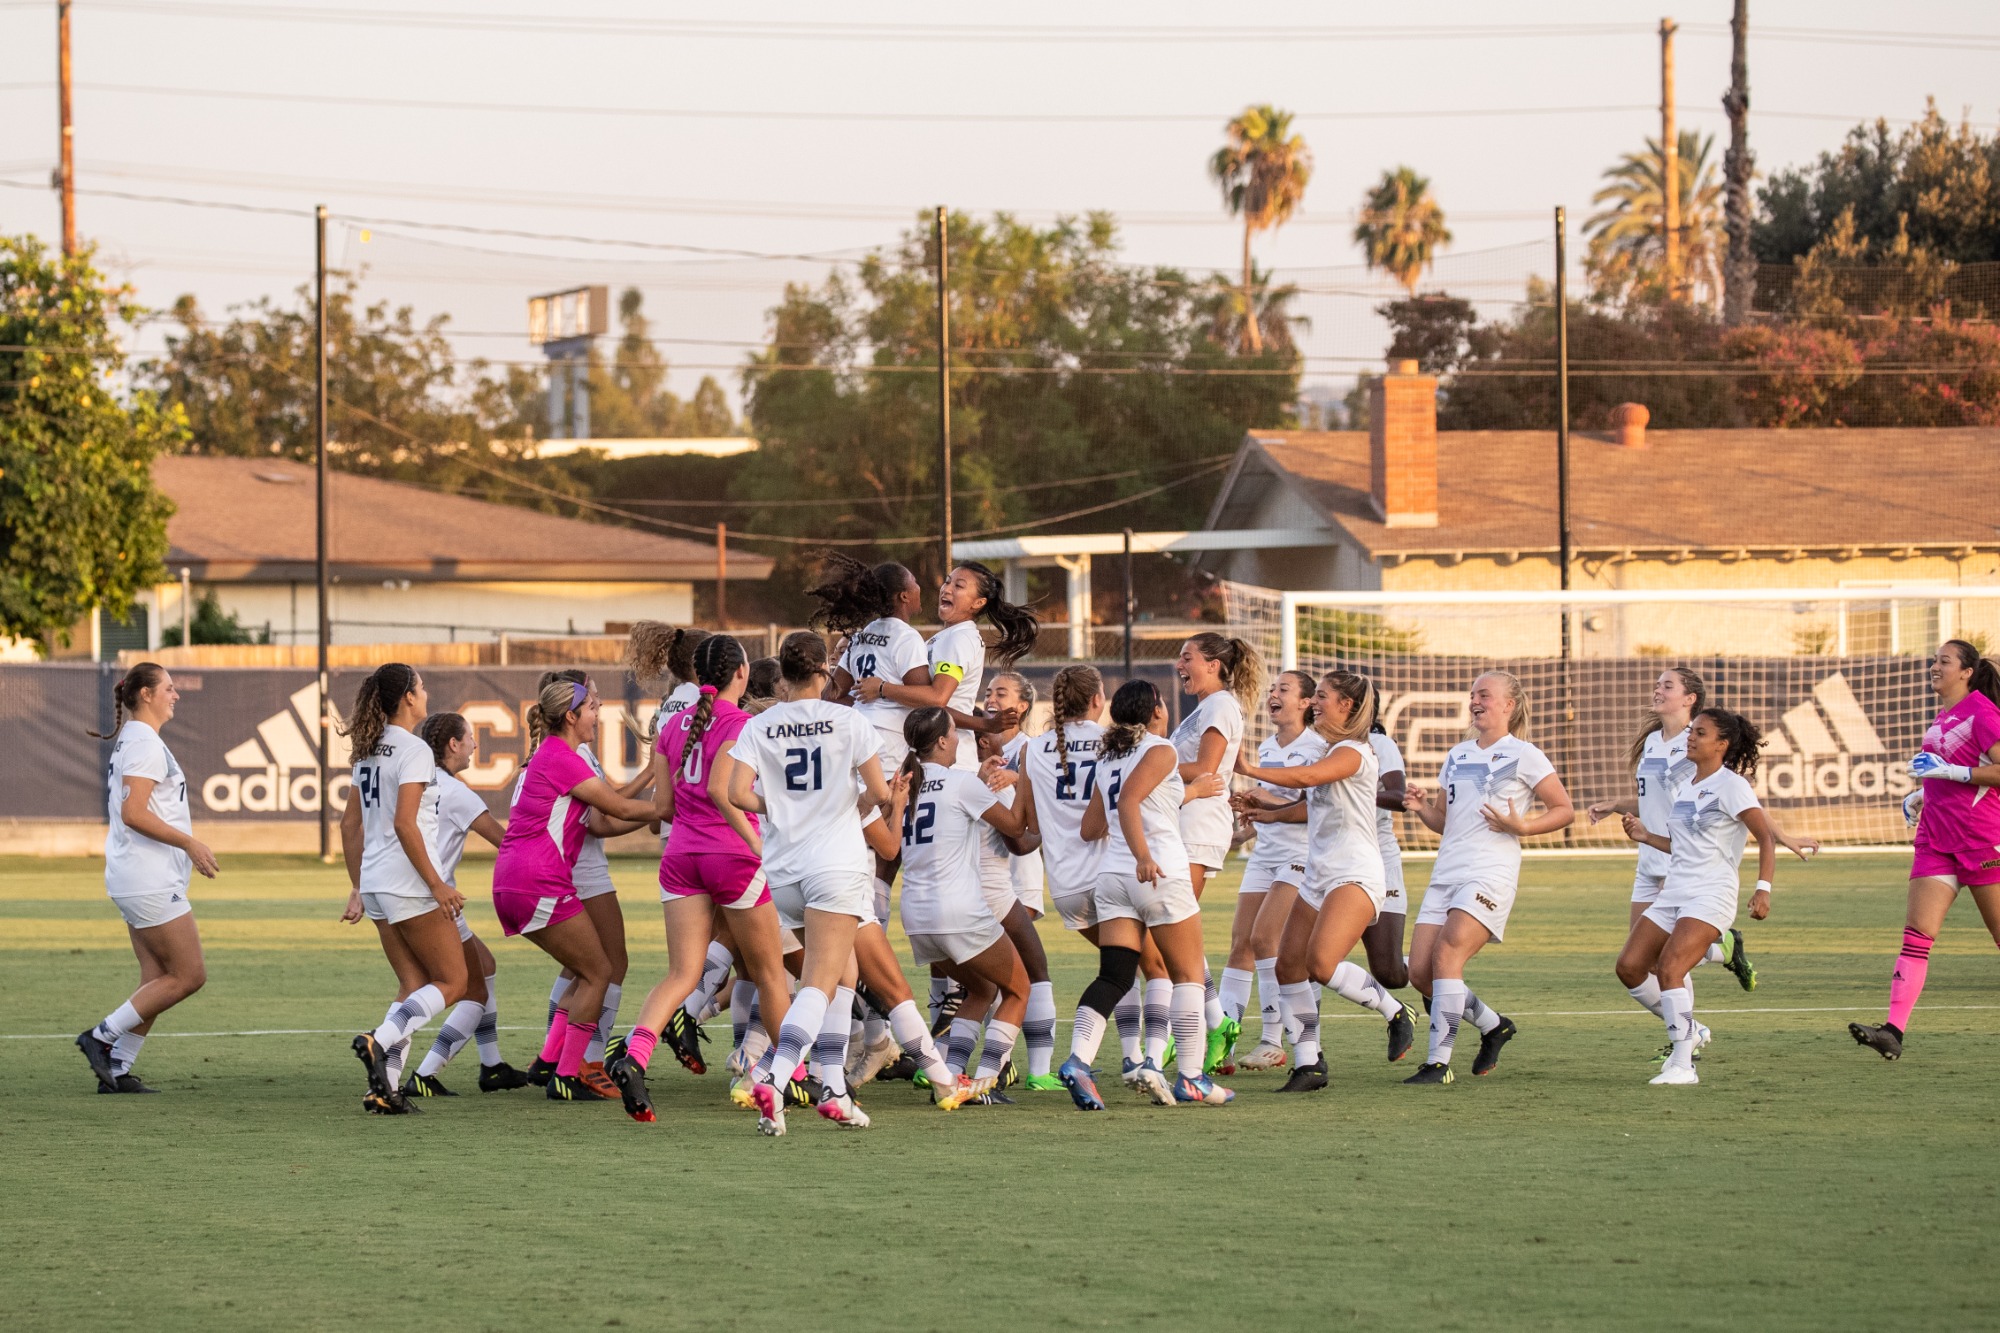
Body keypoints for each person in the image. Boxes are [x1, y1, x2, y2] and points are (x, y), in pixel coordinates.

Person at [606, 634, 796, 1124]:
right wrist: (756, 845)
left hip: (680, 855)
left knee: (681, 975)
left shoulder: (674, 725)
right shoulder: (743, 723)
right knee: (771, 973)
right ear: (741, 673)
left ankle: (635, 1057)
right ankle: (793, 1077)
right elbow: (723, 792)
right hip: (730, 856)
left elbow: (663, 807)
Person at [726, 631, 896, 1133]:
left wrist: (780, 806)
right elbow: (880, 792)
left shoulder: (761, 723)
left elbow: (737, 793)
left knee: (842, 976)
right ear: (823, 670)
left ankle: (835, 1090)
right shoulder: (849, 720)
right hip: (835, 867)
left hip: (784, 872)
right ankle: (775, 1080)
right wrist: (859, 801)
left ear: (781, 675)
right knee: (820, 982)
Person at [1058, 679, 1233, 1110]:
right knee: (1188, 974)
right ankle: (1191, 1077)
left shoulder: (1109, 757)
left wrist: (1183, 796)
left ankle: (1079, 1061)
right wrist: (1143, 853)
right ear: (1156, 709)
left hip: (1112, 879)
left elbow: (1091, 827)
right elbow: (1131, 802)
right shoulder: (1161, 749)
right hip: (1158, 872)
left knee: (1114, 977)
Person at [1237, 671, 1415, 1092]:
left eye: (1322, 696)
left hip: (1355, 872)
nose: (1315, 702)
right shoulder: (1328, 750)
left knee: (1320, 964)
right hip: (1319, 871)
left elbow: (1306, 779)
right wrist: (1265, 812)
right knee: (1287, 966)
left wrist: (1247, 767)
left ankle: (1395, 1011)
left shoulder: (1354, 751)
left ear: (1347, 706)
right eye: (1314, 695)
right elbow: (1306, 804)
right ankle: (1308, 1064)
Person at [1401, 671, 1574, 1085]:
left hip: (1490, 872)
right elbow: (1445, 822)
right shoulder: (1458, 754)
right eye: (1473, 694)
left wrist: (1523, 827)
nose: (1475, 701)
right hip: (1447, 872)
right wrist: (1422, 808)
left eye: (1485, 694)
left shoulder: (1525, 754)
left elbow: (1564, 809)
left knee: (1447, 957)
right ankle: (1495, 1026)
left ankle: (1437, 1063)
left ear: (1509, 705)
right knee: (1419, 974)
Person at [491, 675, 658, 1102]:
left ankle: (553, 1062)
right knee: (600, 971)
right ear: (571, 716)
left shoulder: (552, 755)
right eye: (593, 708)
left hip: (519, 880)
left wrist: (656, 807)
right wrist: (672, 804)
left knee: (587, 971)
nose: (598, 714)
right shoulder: (561, 756)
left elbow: (603, 821)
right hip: (536, 879)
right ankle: (567, 1076)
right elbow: (618, 806)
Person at [1851, 640, 2000, 1060]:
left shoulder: (1982, 713)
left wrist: (1949, 771)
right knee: (1917, 937)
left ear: (1967, 671)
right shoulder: (1944, 717)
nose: (1934, 666)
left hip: (1979, 838)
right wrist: (1922, 795)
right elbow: (1946, 776)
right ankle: (1893, 1030)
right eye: (1934, 660)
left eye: (1944, 661)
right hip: (1936, 838)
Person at [1586, 668, 1762, 1014]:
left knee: (1668, 961)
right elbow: (1655, 801)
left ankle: (1687, 1038)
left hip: (1681, 858)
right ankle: (1719, 952)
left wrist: (1782, 837)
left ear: (1689, 698)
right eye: (1657, 684)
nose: (1657, 690)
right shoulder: (1653, 741)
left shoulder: (1698, 742)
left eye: (1667, 685)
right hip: (1649, 858)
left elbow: (1735, 801)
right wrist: (1615, 805)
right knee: (1640, 963)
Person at [1615, 708, 1777, 1085]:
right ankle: (1720, 957)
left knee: (1672, 968)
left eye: (1700, 733)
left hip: (1711, 893)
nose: (1691, 737)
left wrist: (1763, 889)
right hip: (1675, 890)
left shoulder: (1732, 785)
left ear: (1721, 745)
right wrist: (1644, 836)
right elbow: (1682, 846)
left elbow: (1765, 836)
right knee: (1630, 966)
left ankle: (1683, 1063)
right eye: (1692, 731)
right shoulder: (1688, 786)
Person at [76, 664, 217, 1095]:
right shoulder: (143, 743)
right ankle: (100, 1038)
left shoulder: (139, 739)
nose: (176, 695)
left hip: (137, 875)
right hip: (147, 878)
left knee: (156, 974)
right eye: (169, 689)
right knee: (189, 975)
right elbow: (133, 813)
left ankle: (117, 1069)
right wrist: (190, 844)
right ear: (145, 694)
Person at [339, 664, 469, 1115]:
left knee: (412, 984)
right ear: (409, 698)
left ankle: (384, 1088)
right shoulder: (413, 750)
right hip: (409, 883)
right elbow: (404, 823)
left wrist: (358, 887)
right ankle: (380, 1040)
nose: (426, 692)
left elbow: (348, 825)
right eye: (422, 686)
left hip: (376, 884)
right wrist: (437, 885)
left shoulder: (368, 749)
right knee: (454, 981)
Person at [896, 706, 1034, 1096]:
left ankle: (953, 1074)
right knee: (1020, 988)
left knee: (981, 990)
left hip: (916, 917)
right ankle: (986, 1081)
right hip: (957, 910)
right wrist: (1024, 778)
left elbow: (948, 803)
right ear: (941, 741)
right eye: (955, 732)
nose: (959, 739)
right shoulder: (961, 783)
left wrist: (978, 780)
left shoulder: (908, 781)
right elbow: (1017, 829)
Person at [401, 712, 532, 1096]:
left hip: (411, 896)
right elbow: (505, 841)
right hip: (438, 903)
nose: (475, 745)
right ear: (453, 745)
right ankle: (423, 1074)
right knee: (469, 990)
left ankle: (491, 1066)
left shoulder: (420, 783)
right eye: (470, 738)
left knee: (484, 968)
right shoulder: (457, 792)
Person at [1170, 633, 1263, 1071]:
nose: (1179, 665)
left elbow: (1206, 769)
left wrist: (1146, 763)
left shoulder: (1221, 705)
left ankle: (1196, 1028)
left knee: (1172, 927)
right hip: (1184, 823)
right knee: (1170, 929)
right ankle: (1216, 1021)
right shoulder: (1208, 707)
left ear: (1213, 664)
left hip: (1197, 825)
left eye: (1187, 657)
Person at [853, 560, 1037, 772]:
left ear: (977, 603)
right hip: (935, 754)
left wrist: (882, 688)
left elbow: (937, 699)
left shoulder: (961, 638)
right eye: (947, 582)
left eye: (958, 586)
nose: (947, 589)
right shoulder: (943, 637)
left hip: (952, 758)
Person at [1225, 669, 1320, 1072]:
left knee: (1266, 938)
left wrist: (1268, 803)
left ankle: (1271, 1039)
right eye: (1272, 689)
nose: (1273, 695)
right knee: (1240, 943)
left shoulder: (1318, 748)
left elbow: (1313, 810)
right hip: (1265, 854)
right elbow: (1268, 810)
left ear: (1306, 702)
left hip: (1301, 855)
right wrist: (1246, 819)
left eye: (1284, 689)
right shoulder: (1268, 745)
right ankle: (1221, 1040)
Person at [976, 671, 1059, 1090]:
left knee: (1008, 974)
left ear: (1023, 705)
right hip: (990, 876)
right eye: (988, 691)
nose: (991, 698)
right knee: (1020, 973)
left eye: (1001, 692)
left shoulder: (1034, 751)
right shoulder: (977, 750)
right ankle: (1024, 1069)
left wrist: (1022, 778)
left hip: (1018, 875)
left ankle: (1018, 1066)